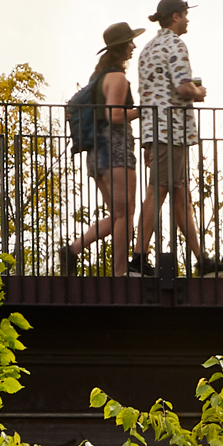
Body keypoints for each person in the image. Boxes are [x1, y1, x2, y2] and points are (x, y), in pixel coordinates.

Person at [135, 0, 219, 272]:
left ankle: (201, 259)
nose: (187, 20)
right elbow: (184, 88)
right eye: (185, 14)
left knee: (181, 195)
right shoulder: (176, 45)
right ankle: (138, 257)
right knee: (157, 192)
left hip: (153, 129)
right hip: (172, 131)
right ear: (175, 16)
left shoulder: (147, 50)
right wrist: (199, 92)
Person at [61, 21, 139, 272]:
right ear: (122, 47)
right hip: (115, 152)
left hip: (97, 154)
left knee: (118, 215)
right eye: (130, 42)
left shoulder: (98, 78)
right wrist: (140, 112)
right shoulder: (117, 78)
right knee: (125, 215)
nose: (133, 46)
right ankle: (120, 273)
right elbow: (114, 115)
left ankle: (72, 250)